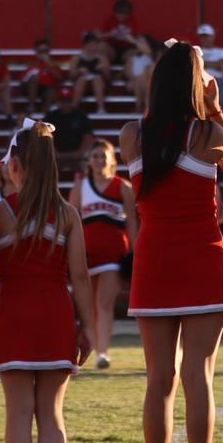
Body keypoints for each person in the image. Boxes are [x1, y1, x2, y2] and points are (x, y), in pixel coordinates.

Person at [120, 41, 223, 443]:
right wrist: (218, 110)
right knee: (199, 376)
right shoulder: (206, 134)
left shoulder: (132, 133)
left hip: (154, 260)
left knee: (159, 378)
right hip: (201, 258)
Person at [0, 121, 96, 443]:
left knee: (19, 413)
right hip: (55, 315)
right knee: (52, 412)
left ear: (15, 167)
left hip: (15, 316)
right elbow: (79, 276)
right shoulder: (68, 213)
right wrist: (87, 326)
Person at [72, 139, 133, 370]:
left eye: (103, 155)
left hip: (114, 253)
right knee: (88, 306)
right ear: (89, 160)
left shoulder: (123, 186)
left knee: (104, 303)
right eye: (95, 156)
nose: (99, 160)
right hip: (86, 253)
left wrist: (134, 251)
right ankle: (89, 349)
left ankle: (102, 352)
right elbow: (72, 219)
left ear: (112, 160)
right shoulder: (81, 187)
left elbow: (133, 222)